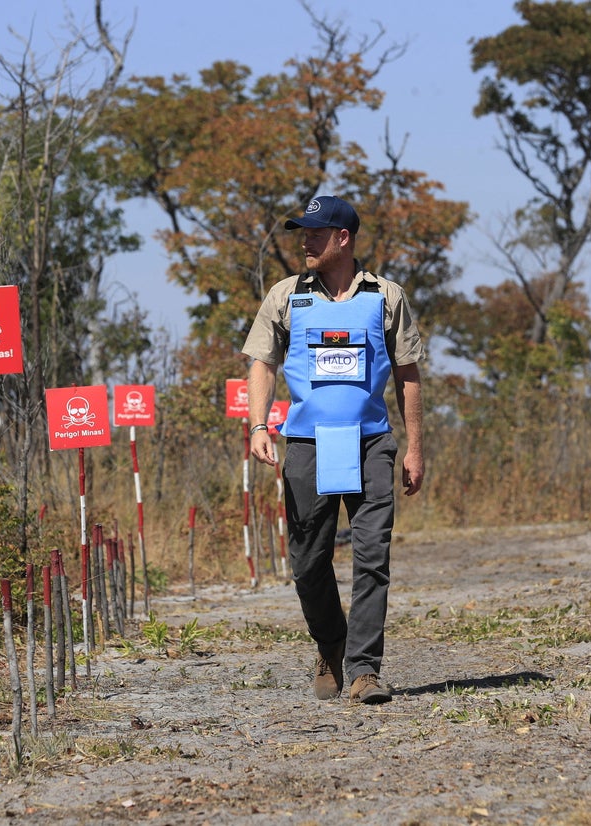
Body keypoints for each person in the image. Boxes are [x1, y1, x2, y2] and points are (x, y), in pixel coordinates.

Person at [241, 195, 425, 704]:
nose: (305, 241)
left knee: (372, 556)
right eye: (302, 232)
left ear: (343, 239)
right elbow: (261, 362)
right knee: (307, 561)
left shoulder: (386, 296)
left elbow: (409, 376)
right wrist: (259, 425)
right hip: (306, 445)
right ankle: (330, 643)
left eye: (315, 233)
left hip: (370, 444)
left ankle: (365, 669)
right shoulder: (285, 296)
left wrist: (414, 449)